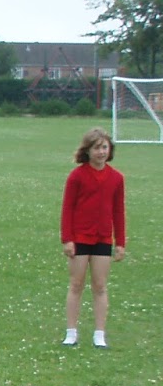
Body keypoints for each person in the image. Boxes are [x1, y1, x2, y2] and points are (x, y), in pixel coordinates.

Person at [61, 126, 126, 348]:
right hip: (79, 238)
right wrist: (67, 239)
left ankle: (99, 334)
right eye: (96, 148)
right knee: (76, 284)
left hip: (103, 239)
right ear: (87, 151)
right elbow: (67, 208)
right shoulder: (77, 176)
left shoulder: (116, 178)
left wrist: (121, 242)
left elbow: (118, 211)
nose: (101, 152)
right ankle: (71, 332)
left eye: (104, 147)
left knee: (100, 286)